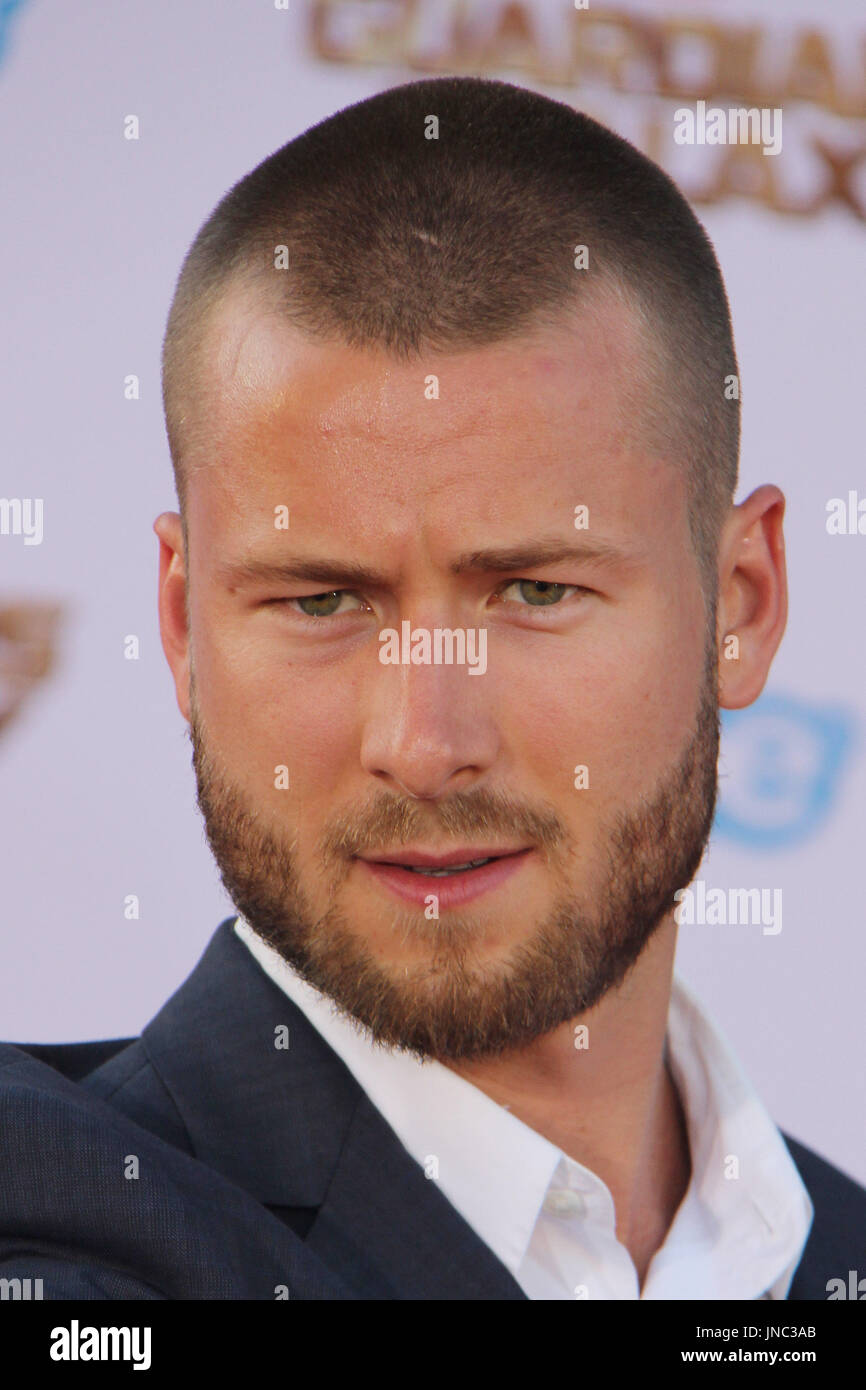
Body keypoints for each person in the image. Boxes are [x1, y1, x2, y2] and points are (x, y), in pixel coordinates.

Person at [2, 75, 863, 1301]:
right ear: (180, 626)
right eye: (320, 602)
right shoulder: (55, 1232)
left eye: (531, 593)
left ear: (740, 603)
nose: (421, 742)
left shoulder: (830, 1255)